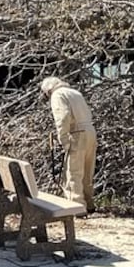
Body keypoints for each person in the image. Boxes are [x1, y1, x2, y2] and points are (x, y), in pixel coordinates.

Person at [40, 77, 97, 212]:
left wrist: (63, 139)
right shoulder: (75, 92)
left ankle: (76, 206)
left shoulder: (57, 95)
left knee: (73, 172)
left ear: (48, 89)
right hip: (90, 130)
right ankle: (89, 203)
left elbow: (63, 116)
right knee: (87, 170)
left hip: (76, 132)